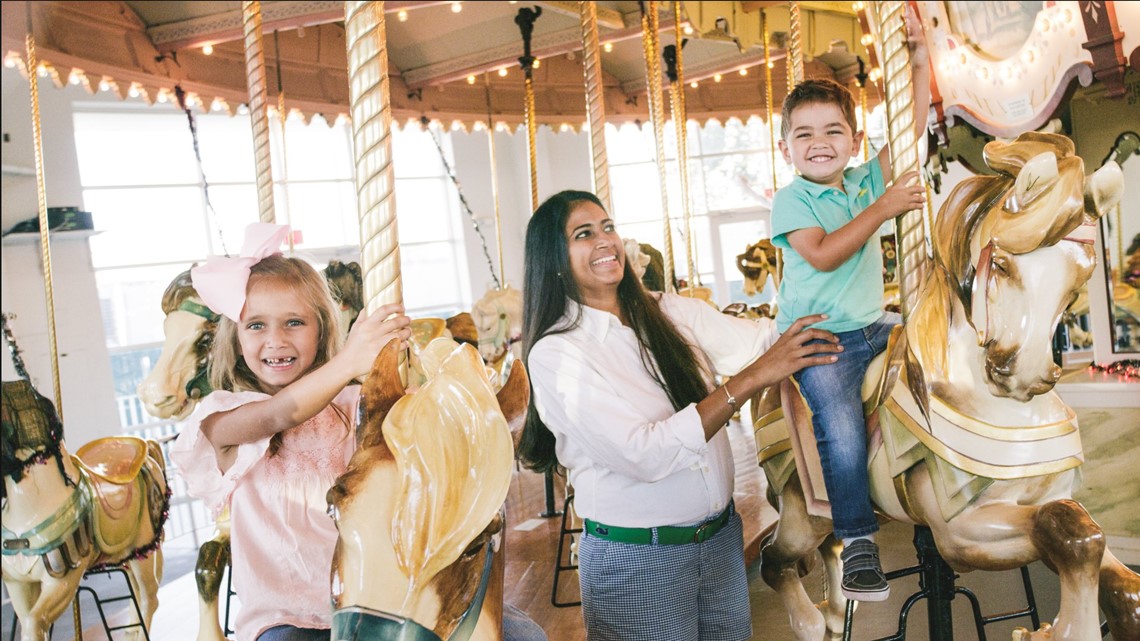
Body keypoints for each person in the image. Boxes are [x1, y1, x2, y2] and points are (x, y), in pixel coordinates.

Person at [517, 191, 841, 641]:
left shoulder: (668, 310)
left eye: (608, 227)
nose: (605, 240)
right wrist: (750, 380)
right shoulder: (558, 353)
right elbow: (643, 454)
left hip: (719, 539)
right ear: (553, 258)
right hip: (639, 559)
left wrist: (838, 298)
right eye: (583, 234)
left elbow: (761, 342)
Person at [170, 223, 412, 641]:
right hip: (284, 616)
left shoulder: (352, 404)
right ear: (236, 336)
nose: (275, 340)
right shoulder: (222, 416)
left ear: (322, 329)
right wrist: (349, 362)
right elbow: (277, 415)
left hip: (368, 600)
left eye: (294, 322)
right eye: (256, 325)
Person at [769, 7, 929, 602]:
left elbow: (911, 124)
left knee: (940, 352)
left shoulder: (862, 181)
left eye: (833, 131)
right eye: (804, 135)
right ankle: (858, 539)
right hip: (820, 340)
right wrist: (884, 208)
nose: (820, 144)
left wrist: (918, 58)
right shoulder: (792, 201)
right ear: (786, 148)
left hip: (872, 324)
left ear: (854, 141)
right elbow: (824, 254)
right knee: (839, 426)